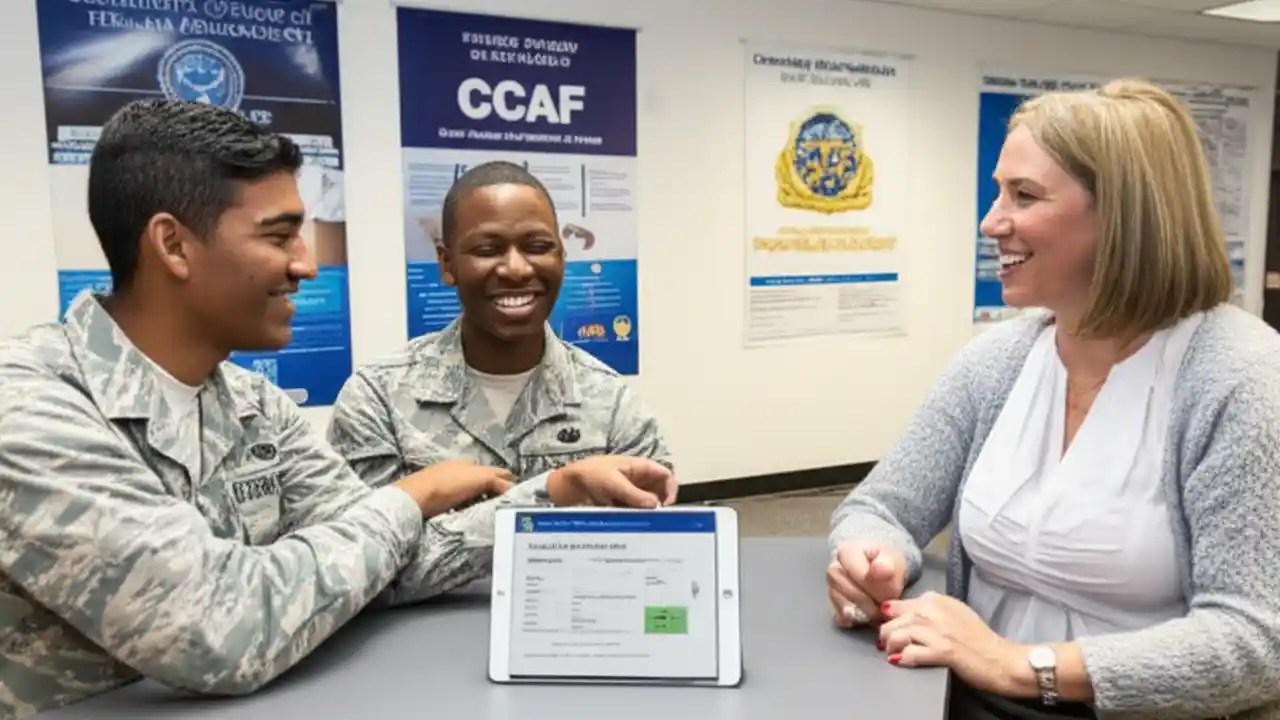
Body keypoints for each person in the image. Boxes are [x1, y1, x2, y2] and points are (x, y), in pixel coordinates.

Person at [0, 100, 673, 719]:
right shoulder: (31, 406)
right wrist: (411, 497)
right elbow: (214, 625)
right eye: (280, 235)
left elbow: (385, 565)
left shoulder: (253, 405)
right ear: (174, 244)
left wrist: (550, 492)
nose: (308, 264)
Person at [826, 78, 1280, 719]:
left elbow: (1257, 641)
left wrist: (1021, 666)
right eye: (997, 191)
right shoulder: (998, 361)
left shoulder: (1242, 379)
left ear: (1121, 218)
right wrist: (873, 559)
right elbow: (879, 505)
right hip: (971, 700)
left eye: (1024, 195)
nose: (991, 221)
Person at [327, 161, 672, 596]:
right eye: (488, 249)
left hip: (573, 642)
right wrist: (550, 496)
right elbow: (353, 571)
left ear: (561, 257)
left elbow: (653, 564)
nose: (516, 269)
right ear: (447, 263)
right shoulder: (377, 400)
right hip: (414, 652)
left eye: (537, 246)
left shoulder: (615, 406)